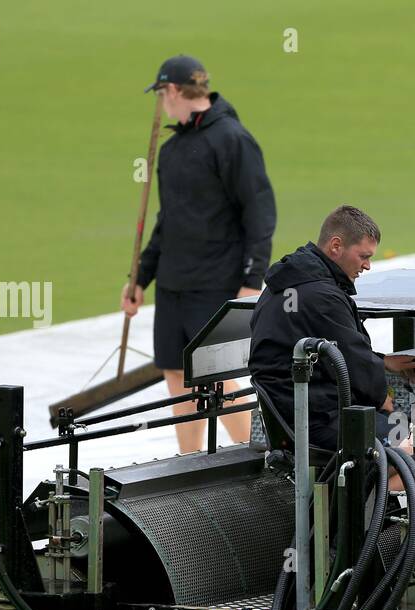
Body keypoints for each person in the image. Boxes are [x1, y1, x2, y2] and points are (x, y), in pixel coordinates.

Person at [121, 54, 276, 452]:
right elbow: (166, 221)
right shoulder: (172, 151)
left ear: (172, 90)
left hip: (214, 282)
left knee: (218, 373)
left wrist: (251, 279)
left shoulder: (232, 140)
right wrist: (140, 277)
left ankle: (256, 459)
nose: (161, 103)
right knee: (175, 370)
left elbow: (259, 212)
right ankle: (188, 461)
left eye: (160, 94)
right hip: (173, 282)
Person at [248, 205, 415, 487]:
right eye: (364, 256)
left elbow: (332, 349)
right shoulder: (322, 295)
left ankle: (356, 506)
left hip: (297, 417)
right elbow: (354, 366)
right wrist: (380, 396)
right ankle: (349, 516)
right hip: (323, 423)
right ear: (336, 246)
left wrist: (380, 360)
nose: (367, 265)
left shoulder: (290, 282)